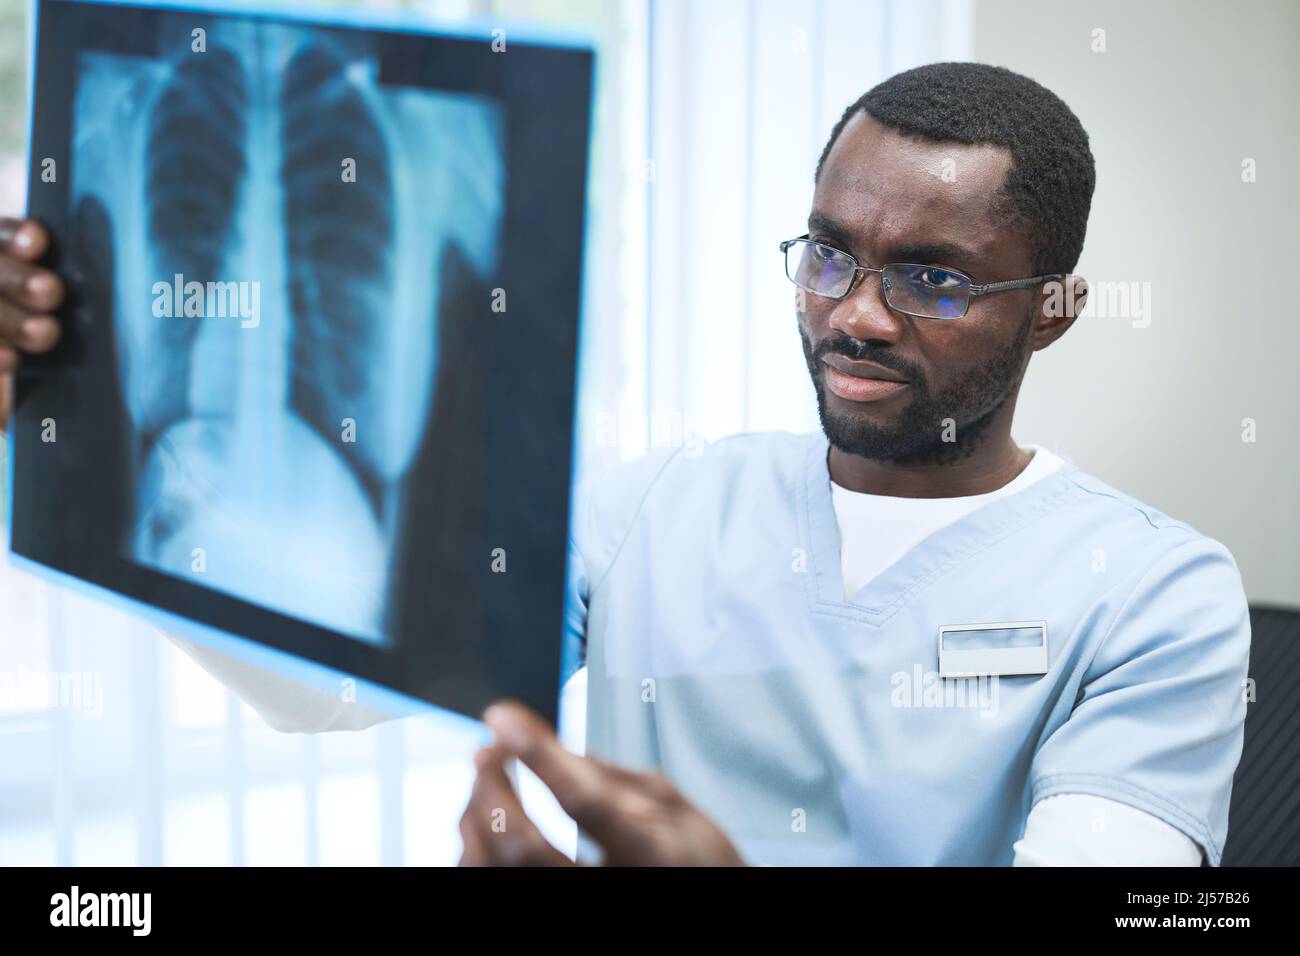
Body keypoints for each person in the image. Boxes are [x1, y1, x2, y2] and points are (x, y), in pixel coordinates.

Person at [0, 63, 1249, 866]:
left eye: (932, 275)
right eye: (826, 254)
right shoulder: (655, 505)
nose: (854, 314)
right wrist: (70, 416)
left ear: (1055, 307)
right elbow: (316, 691)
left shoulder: (1154, 594)